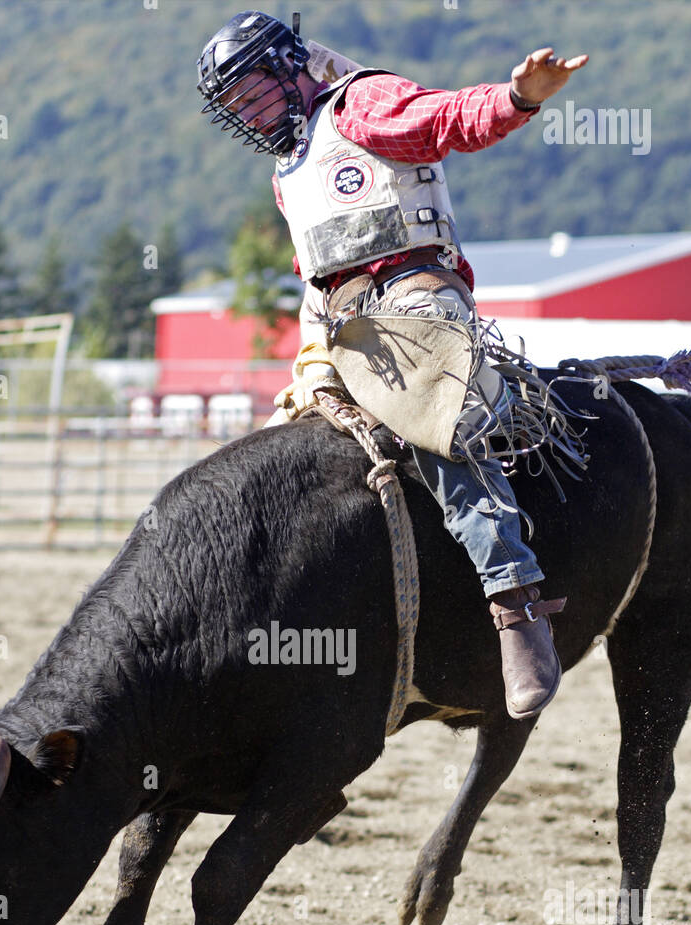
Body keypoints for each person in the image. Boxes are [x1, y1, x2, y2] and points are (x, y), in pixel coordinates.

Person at [197, 12, 589, 720]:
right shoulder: (288, 172)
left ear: (290, 68)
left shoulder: (359, 103)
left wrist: (518, 98)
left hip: (416, 303)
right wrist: (311, 365)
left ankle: (515, 601)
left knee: (434, 425)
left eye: (251, 92)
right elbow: (316, 280)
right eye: (235, 107)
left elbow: (447, 119)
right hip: (340, 329)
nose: (248, 113)